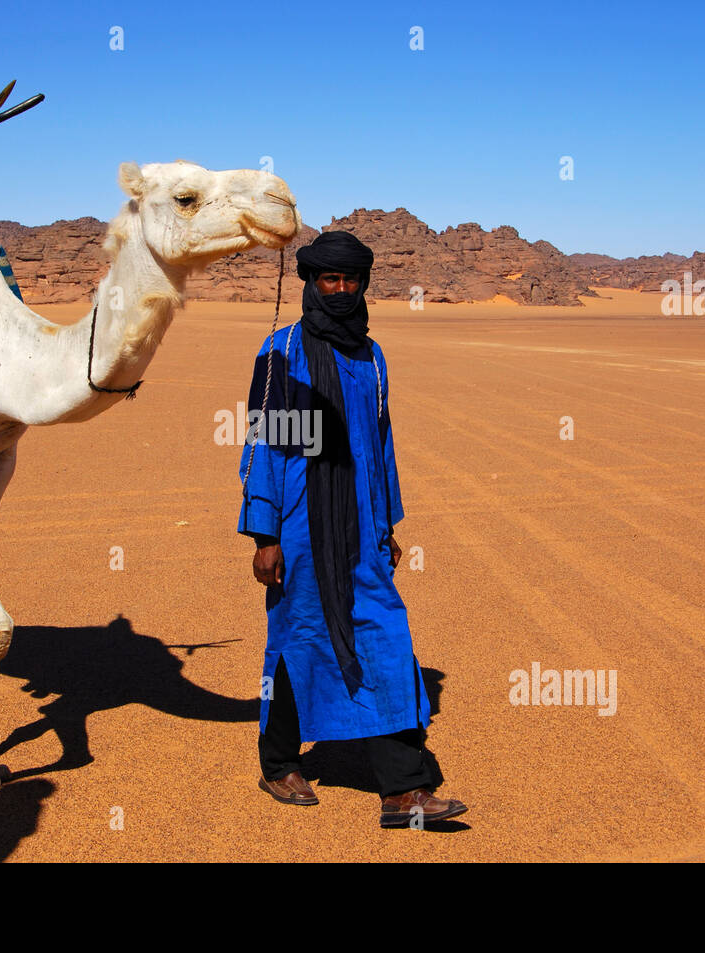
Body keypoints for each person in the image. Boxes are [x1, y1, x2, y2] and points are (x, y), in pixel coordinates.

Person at [237, 230, 467, 829]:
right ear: (312, 283)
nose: (341, 290)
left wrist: (386, 522)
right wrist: (264, 535)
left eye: (351, 280)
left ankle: (403, 791)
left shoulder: (372, 356)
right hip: (301, 526)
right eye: (329, 280)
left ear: (364, 283)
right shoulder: (282, 351)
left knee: (388, 641)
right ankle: (278, 760)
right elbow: (264, 447)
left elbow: (381, 445)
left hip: (362, 531)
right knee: (299, 638)